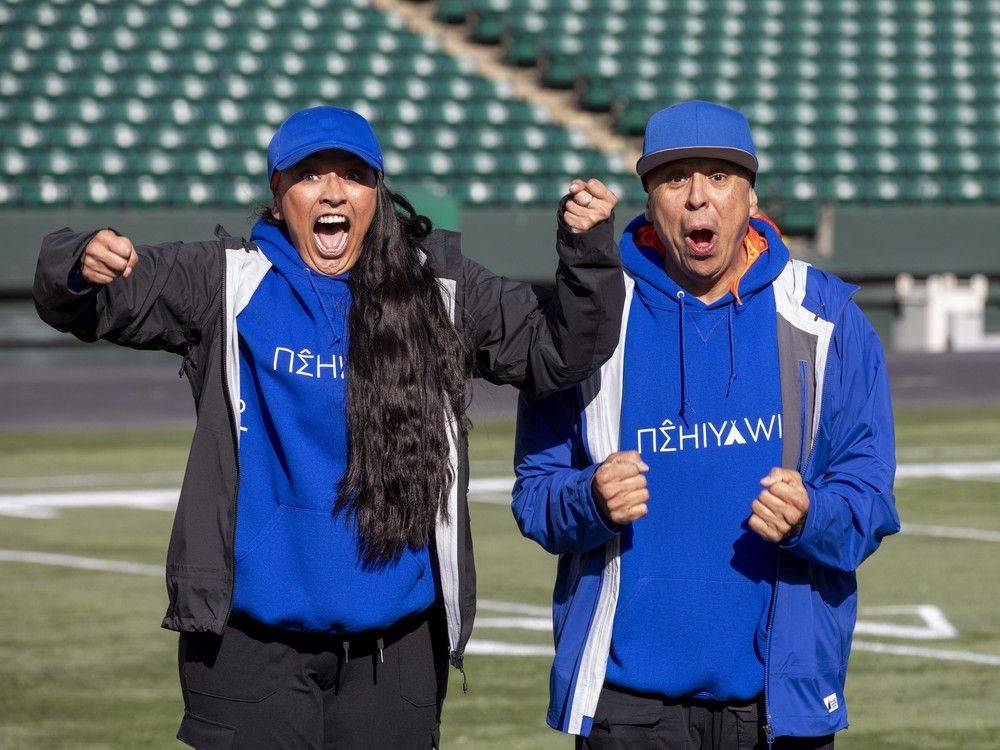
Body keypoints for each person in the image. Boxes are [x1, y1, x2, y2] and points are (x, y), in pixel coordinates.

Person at [33, 105, 625, 750]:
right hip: (246, 652)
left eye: (353, 175)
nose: (334, 191)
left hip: (393, 656)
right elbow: (87, 302)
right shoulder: (226, 279)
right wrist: (79, 259)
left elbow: (559, 351)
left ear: (378, 193)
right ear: (278, 195)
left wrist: (586, 255)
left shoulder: (440, 288)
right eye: (310, 175)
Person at [511, 100, 899, 749]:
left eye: (719, 177)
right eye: (674, 179)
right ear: (649, 199)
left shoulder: (827, 319)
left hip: (780, 702)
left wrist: (812, 517)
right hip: (626, 707)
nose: (698, 198)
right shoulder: (591, 319)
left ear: (750, 196)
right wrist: (590, 500)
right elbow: (535, 495)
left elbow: (870, 502)